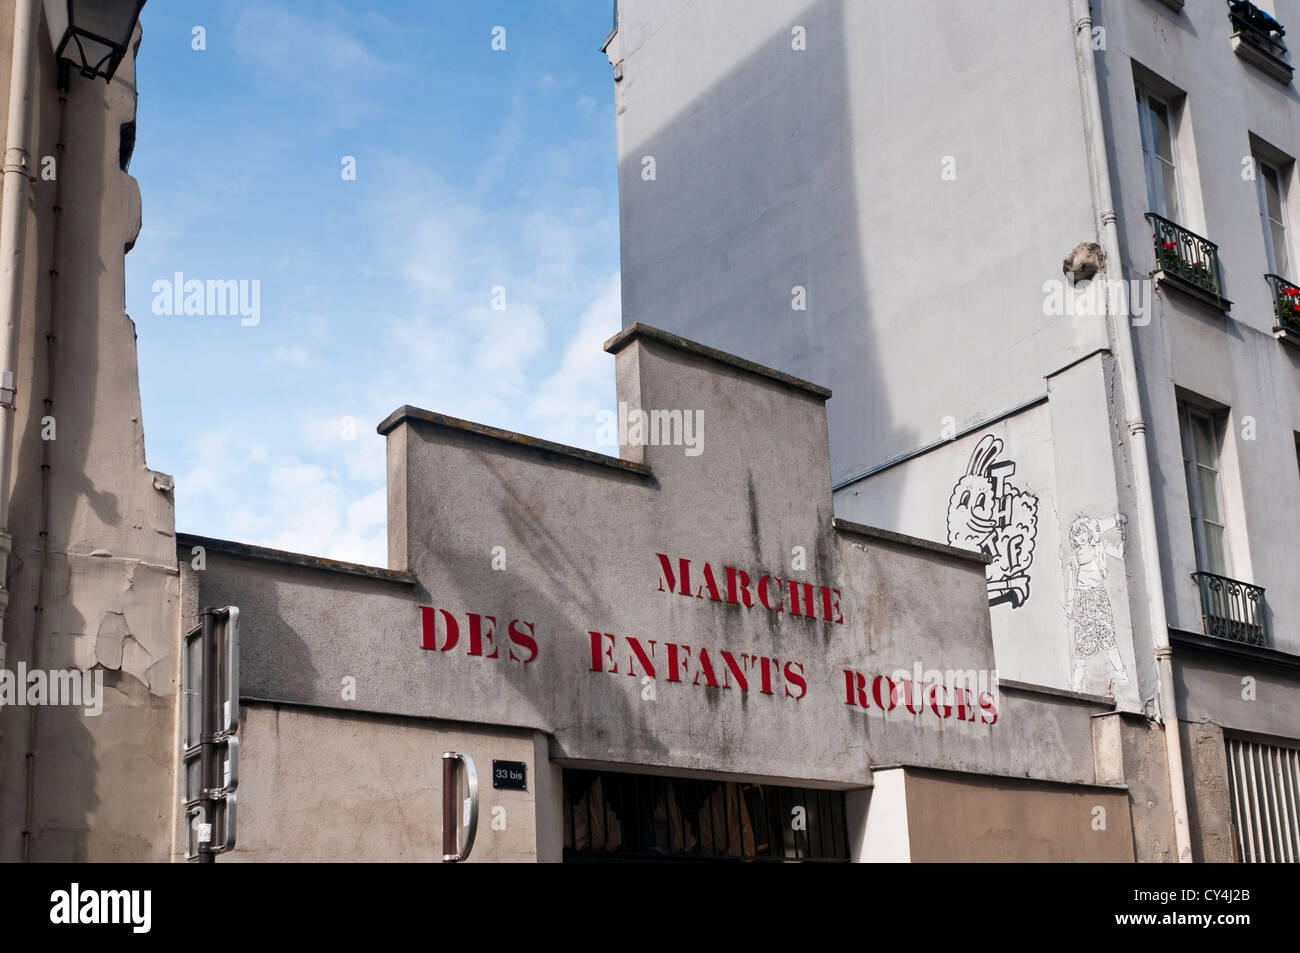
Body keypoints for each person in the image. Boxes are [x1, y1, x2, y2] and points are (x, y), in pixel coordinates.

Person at [1064, 515, 1129, 691]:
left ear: (1088, 532)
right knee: (1082, 645)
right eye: (1077, 534)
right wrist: (1069, 608)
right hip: (1083, 601)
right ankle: (1076, 685)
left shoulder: (1099, 547)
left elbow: (1119, 553)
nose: (1081, 536)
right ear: (1074, 538)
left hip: (1098, 596)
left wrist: (1123, 536)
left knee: (1108, 638)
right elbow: (1071, 586)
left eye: (1083, 532)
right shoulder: (1074, 559)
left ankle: (1121, 675)